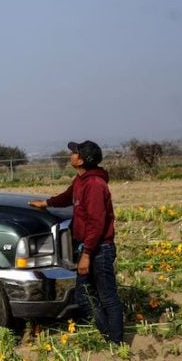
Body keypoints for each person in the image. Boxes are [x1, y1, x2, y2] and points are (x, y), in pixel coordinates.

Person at [28, 140, 124, 344]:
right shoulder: (81, 180)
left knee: (107, 296)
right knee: (84, 296)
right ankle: (109, 336)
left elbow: (97, 224)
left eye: (74, 152)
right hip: (89, 248)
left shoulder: (95, 184)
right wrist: (45, 204)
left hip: (99, 249)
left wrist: (87, 254)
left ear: (82, 160)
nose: (70, 154)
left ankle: (116, 342)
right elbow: (66, 197)